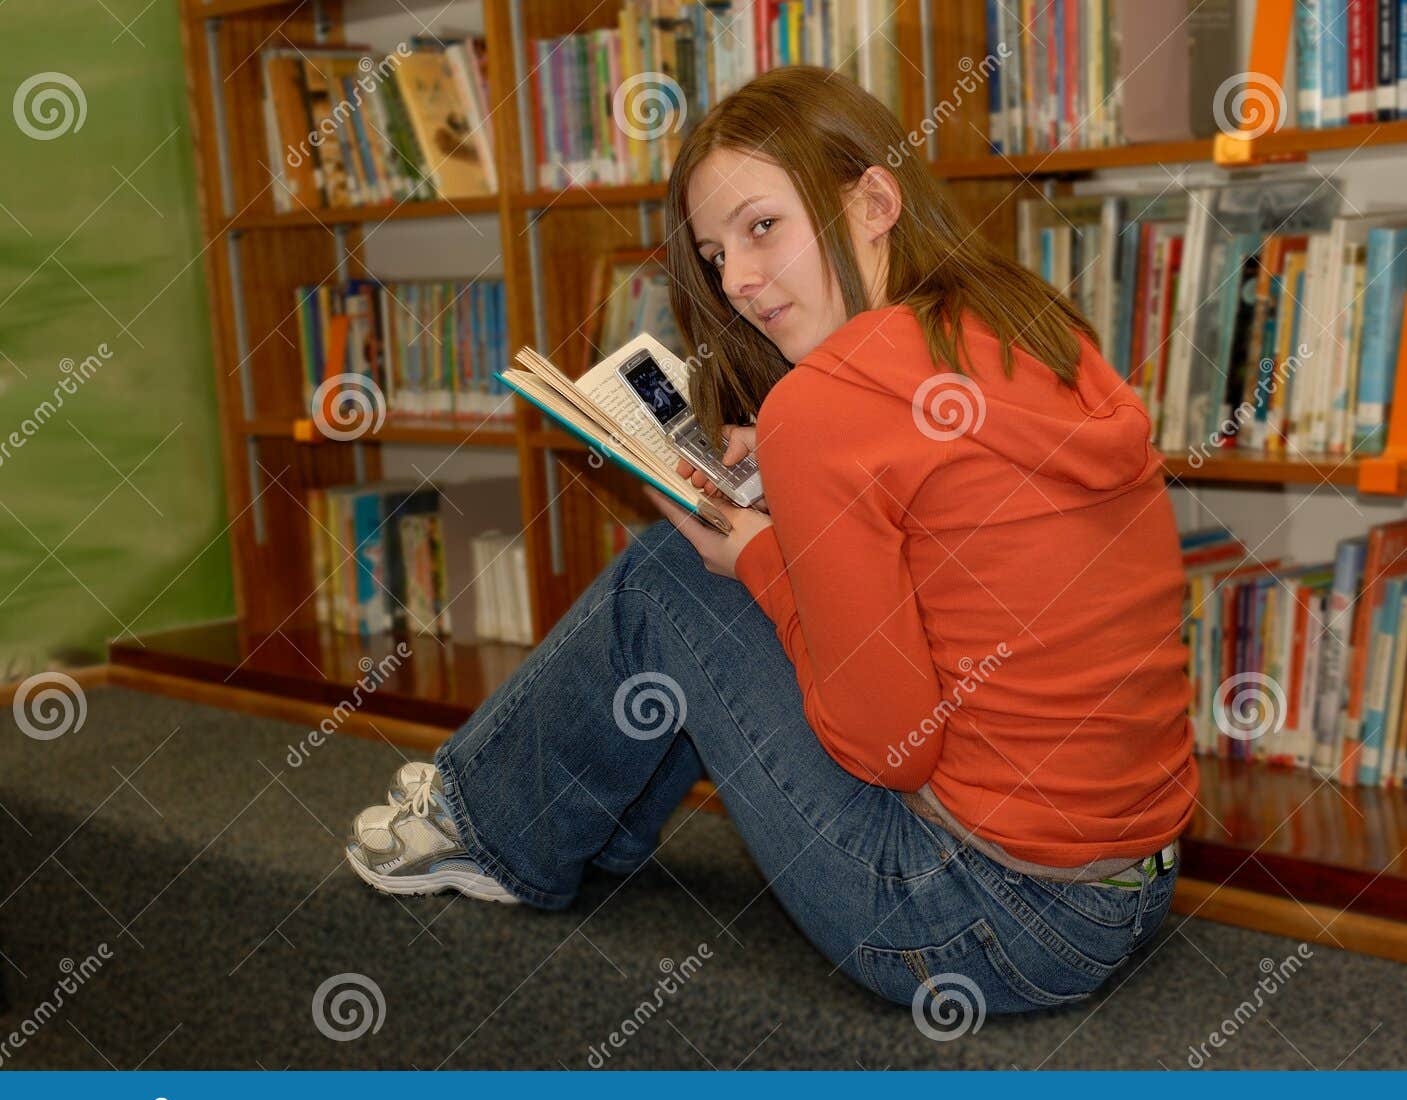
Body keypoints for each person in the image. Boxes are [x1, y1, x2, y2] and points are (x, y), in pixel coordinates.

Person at [344, 65, 1197, 1014]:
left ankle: (488, 827)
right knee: (728, 559)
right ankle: (569, 821)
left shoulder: (825, 407)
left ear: (874, 200)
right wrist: (800, 504)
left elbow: (889, 751)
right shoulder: (1028, 327)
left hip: (976, 923)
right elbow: (949, 543)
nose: (739, 282)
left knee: (675, 576)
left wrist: (756, 550)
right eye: (713, 256)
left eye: (763, 228)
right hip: (1134, 890)